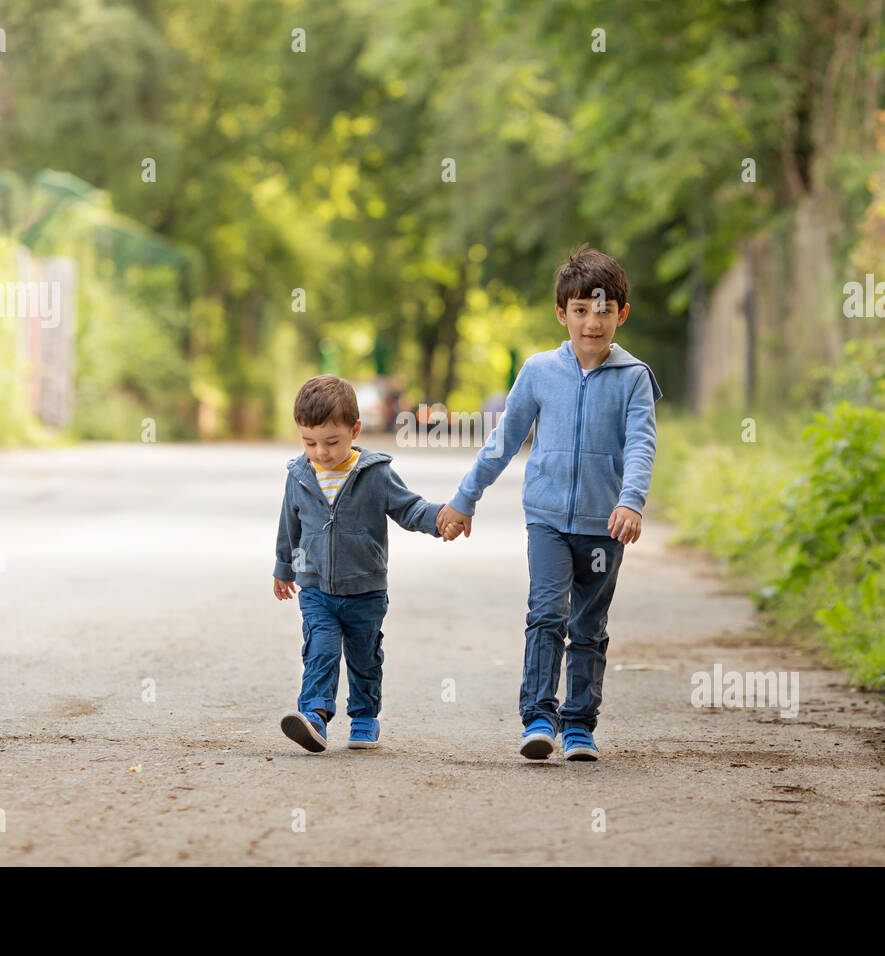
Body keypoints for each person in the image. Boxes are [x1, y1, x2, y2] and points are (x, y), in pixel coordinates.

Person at [436, 244, 662, 761]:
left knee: (588, 626)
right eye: (580, 311)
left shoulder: (634, 379)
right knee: (545, 615)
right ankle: (539, 717)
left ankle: (580, 725)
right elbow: (503, 441)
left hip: (605, 525)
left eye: (603, 310)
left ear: (621, 314)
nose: (592, 322)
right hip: (547, 522)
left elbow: (643, 443)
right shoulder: (539, 371)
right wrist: (465, 499)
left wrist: (631, 501)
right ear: (562, 313)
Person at [274, 374, 462, 752]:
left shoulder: (374, 474)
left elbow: (409, 508)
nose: (321, 453)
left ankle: (364, 718)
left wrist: (441, 519)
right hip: (316, 589)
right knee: (320, 650)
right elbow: (289, 525)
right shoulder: (299, 475)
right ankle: (314, 716)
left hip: (365, 590)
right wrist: (284, 569)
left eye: (332, 442)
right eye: (309, 442)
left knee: (364, 658)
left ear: (354, 429)